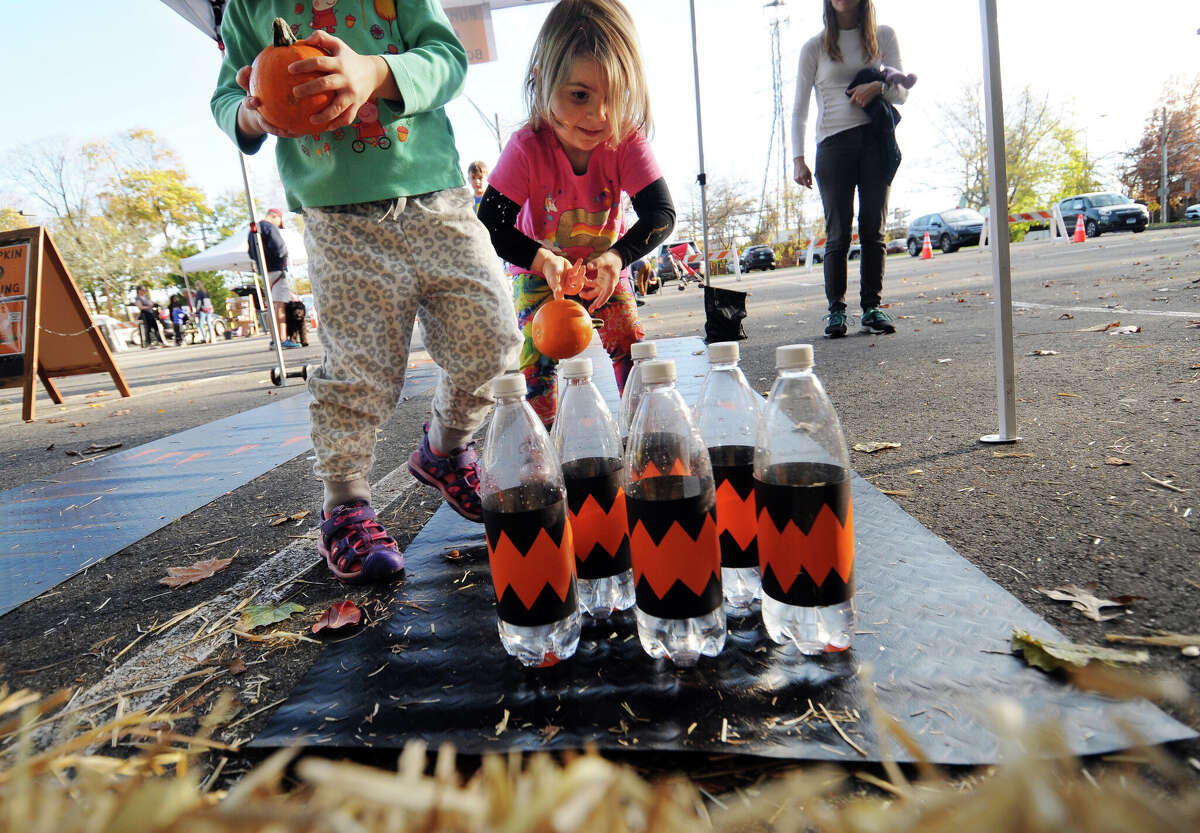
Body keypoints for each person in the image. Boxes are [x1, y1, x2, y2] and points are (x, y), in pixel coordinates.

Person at [212, 0, 522, 584]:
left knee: (494, 342)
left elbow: (447, 58)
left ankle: (445, 448)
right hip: (339, 217)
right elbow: (225, 98)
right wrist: (254, 115)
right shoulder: (248, 10)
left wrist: (376, 72)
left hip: (439, 199)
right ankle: (345, 501)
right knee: (358, 368)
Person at [477, 0, 674, 426]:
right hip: (536, 272)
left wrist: (615, 257)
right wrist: (544, 260)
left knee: (628, 340)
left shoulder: (626, 141)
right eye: (580, 95)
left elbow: (661, 213)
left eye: (614, 98)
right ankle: (540, 445)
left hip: (604, 270)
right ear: (541, 80)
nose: (599, 115)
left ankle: (646, 432)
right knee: (535, 360)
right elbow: (490, 223)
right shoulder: (527, 148)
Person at [792, 0, 907, 338]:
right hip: (833, 146)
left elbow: (902, 92)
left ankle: (872, 307)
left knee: (873, 227)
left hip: (876, 142)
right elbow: (799, 108)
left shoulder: (882, 36)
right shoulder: (815, 46)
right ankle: (836, 311)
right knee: (839, 232)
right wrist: (798, 157)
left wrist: (880, 87)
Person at [247, 208, 296, 347]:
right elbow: (279, 248)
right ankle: (283, 339)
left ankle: (274, 339)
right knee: (279, 305)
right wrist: (282, 259)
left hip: (264, 271)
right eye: (279, 222)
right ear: (275, 216)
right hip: (276, 270)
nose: (279, 226)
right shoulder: (270, 227)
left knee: (271, 307)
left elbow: (250, 253)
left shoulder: (253, 230)